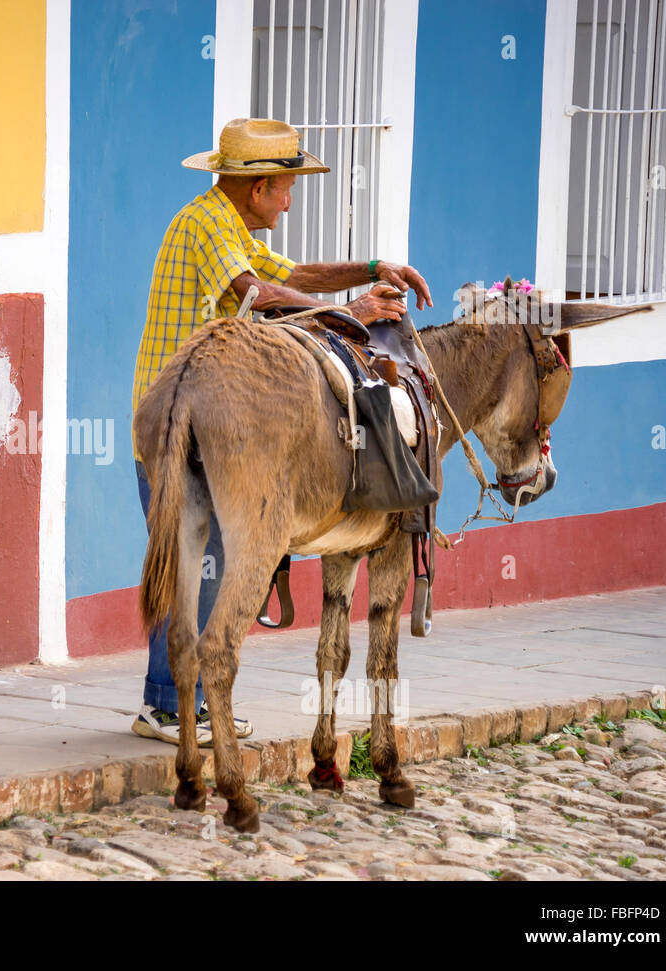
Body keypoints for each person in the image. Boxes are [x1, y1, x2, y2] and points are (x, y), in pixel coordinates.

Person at [130, 118, 433, 746]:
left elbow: (293, 276)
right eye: (286, 188)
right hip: (182, 422)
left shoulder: (228, 224)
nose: (290, 201)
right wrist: (350, 314)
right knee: (196, 566)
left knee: (200, 563)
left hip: (209, 419)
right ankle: (167, 705)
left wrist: (376, 266)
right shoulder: (202, 224)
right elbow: (258, 293)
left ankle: (171, 702)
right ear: (258, 185)